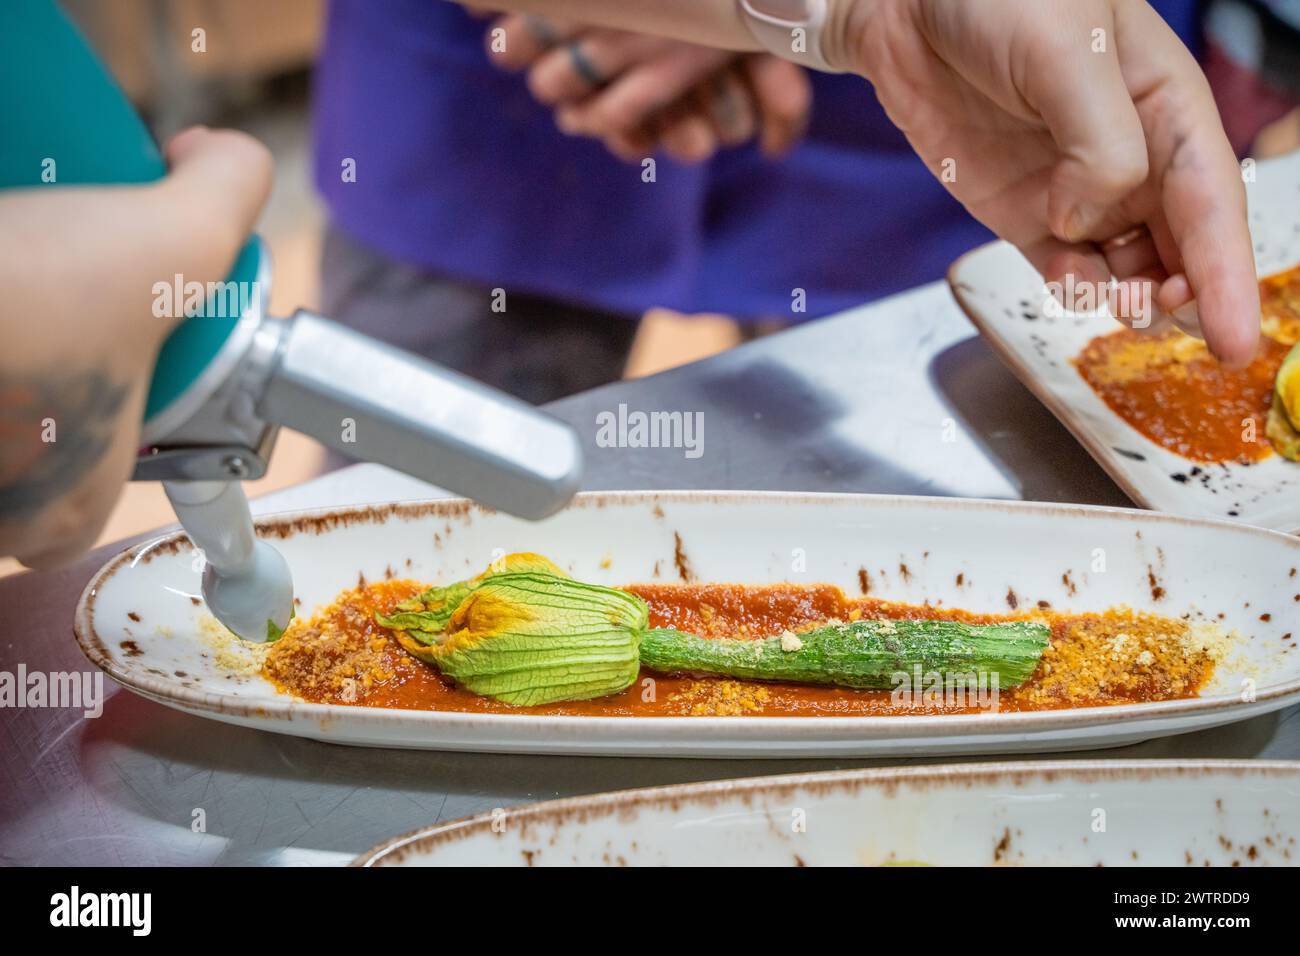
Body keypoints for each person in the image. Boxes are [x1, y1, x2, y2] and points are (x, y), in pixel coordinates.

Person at [0, 0, 1261, 567]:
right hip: (482, 111)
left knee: (916, 563)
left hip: (958, 143)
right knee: (393, 575)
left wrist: (831, 13)